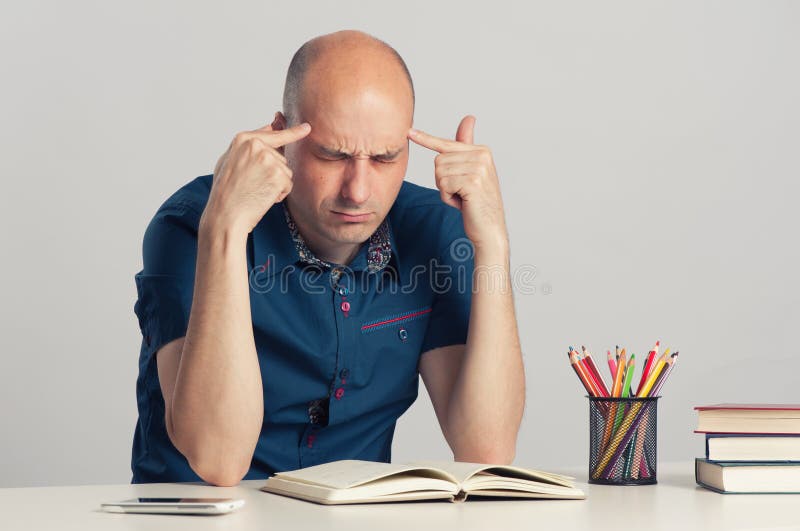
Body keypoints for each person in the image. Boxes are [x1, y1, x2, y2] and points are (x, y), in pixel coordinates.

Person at [131, 29, 525, 486]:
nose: (357, 191)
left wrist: (493, 243)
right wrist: (225, 229)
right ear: (280, 137)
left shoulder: (433, 232)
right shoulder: (191, 225)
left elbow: (486, 449)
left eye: (384, 158)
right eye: (332, 155)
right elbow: (216, 460)